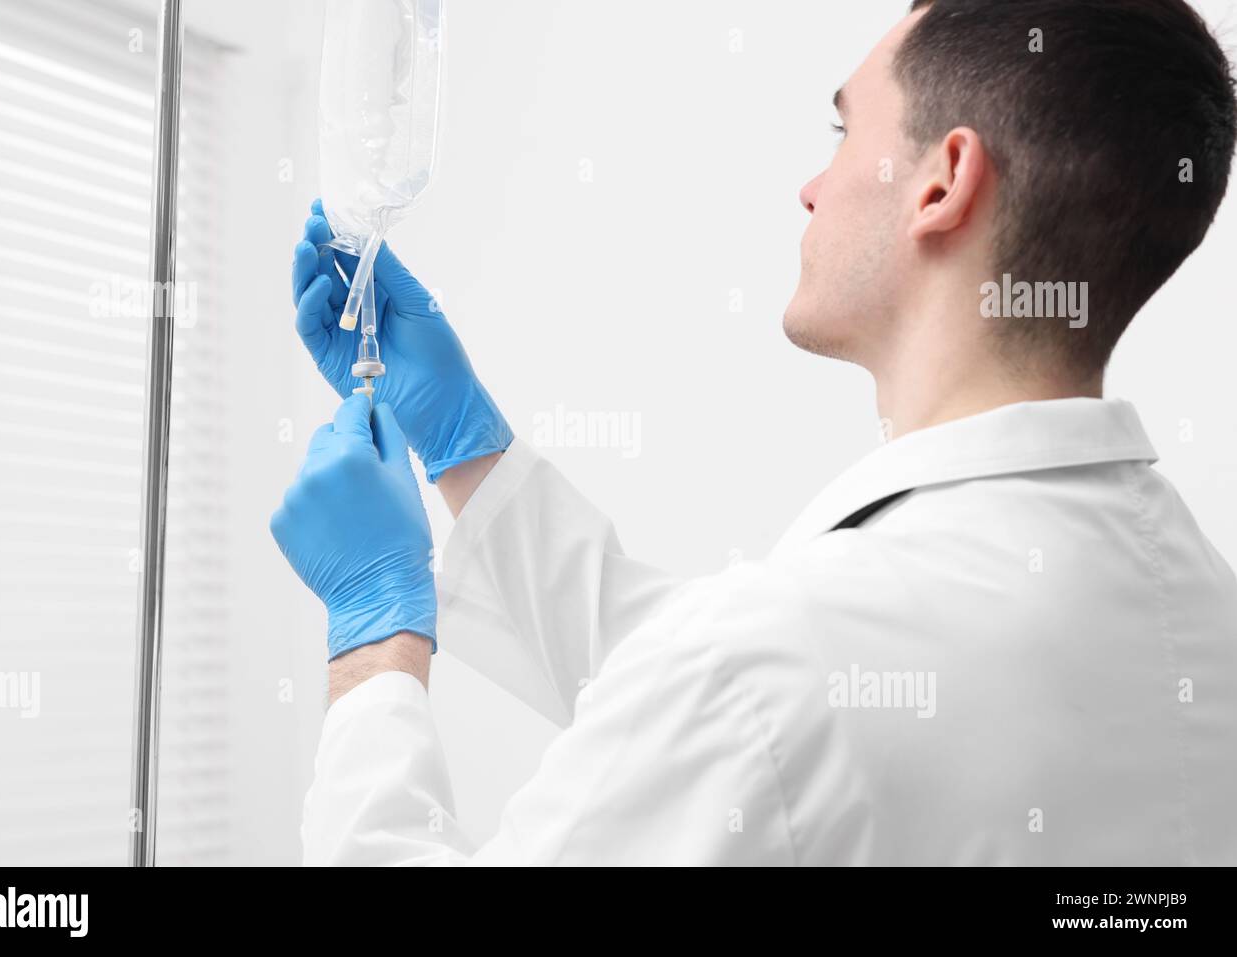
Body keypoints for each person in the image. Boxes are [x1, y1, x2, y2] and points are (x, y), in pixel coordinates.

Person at [273, 0, 1237, 865]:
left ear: (943, 181)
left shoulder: (775, 663)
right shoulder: (1200, 618)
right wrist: (465, 449)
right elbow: (725, 719)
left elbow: (741, 707)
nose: (810, 188)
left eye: (843, 128)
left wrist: (374, 634)